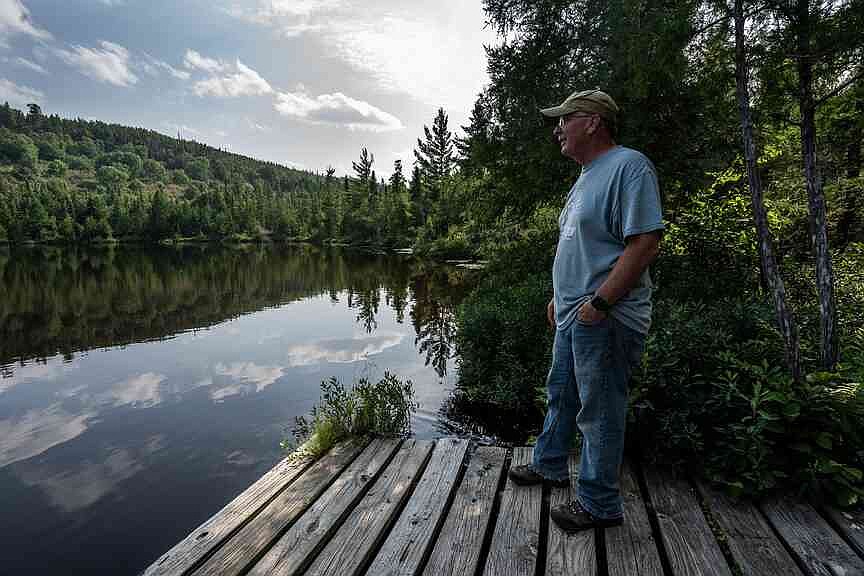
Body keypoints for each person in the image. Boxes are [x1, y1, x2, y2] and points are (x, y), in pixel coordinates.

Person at [507, 89, 664, 532]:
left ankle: (599, 505)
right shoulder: (585, 177)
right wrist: (562, 295)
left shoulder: (629, 166)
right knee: (561, 393)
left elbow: (645, 243)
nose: (557, 128)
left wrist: (600, 302)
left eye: (565, 119)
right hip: (574, 312)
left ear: (592, 122)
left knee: (599, 412)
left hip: (606, 316)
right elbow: (580, 246)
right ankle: (550, 465)